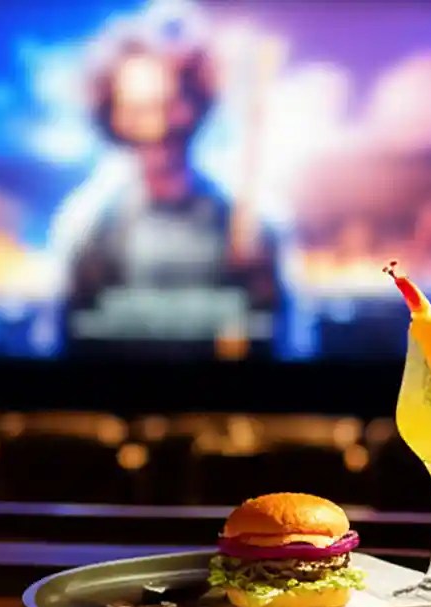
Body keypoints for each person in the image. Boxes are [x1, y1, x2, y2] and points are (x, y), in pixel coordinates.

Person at [52, 11, 287, 356]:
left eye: (169, 104)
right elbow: (66, 349)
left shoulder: (256, 224)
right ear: (112, 114)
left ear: (195, 103)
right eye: (138, 109)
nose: (157, 126)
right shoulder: (88, 227)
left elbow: (281, 345)